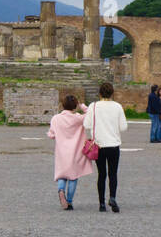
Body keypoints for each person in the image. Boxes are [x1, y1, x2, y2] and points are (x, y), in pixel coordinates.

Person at [83, 81, 127, 213]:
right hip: (113, 145)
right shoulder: (118, 107)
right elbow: (123, 127)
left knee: (101, 174)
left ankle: (101, 203)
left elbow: (87, 125)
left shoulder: (94, 106)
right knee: (113, 174)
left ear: (100, 93)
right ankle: (112, 197)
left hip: (99, 145)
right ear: (112, 93)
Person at [47, 95, 92, 210]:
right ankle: (70, 201)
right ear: (75, 106)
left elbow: (51, 135)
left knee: (62, 175)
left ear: (63, 105)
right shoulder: (78, 118)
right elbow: (91, 114)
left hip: (61, 151)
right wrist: (83, 106)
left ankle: (61, 190)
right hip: (75, 151)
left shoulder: (56, 118)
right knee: (73, 176)